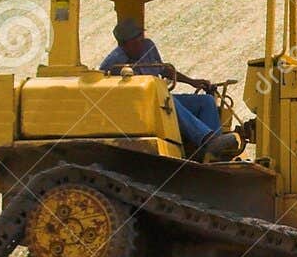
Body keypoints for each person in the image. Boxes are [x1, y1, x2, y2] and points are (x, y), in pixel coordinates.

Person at [101, 18, 239, 157]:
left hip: (161, 99)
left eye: (141, 39)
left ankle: (215, 151)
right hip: (140, 110)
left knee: (206, 101)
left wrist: (192, 81)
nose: (140, 44)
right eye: (135, 42)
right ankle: (207, 140)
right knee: (168, 100)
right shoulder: (112, 64)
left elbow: (164, 69)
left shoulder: (148, 46)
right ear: (123, 45)